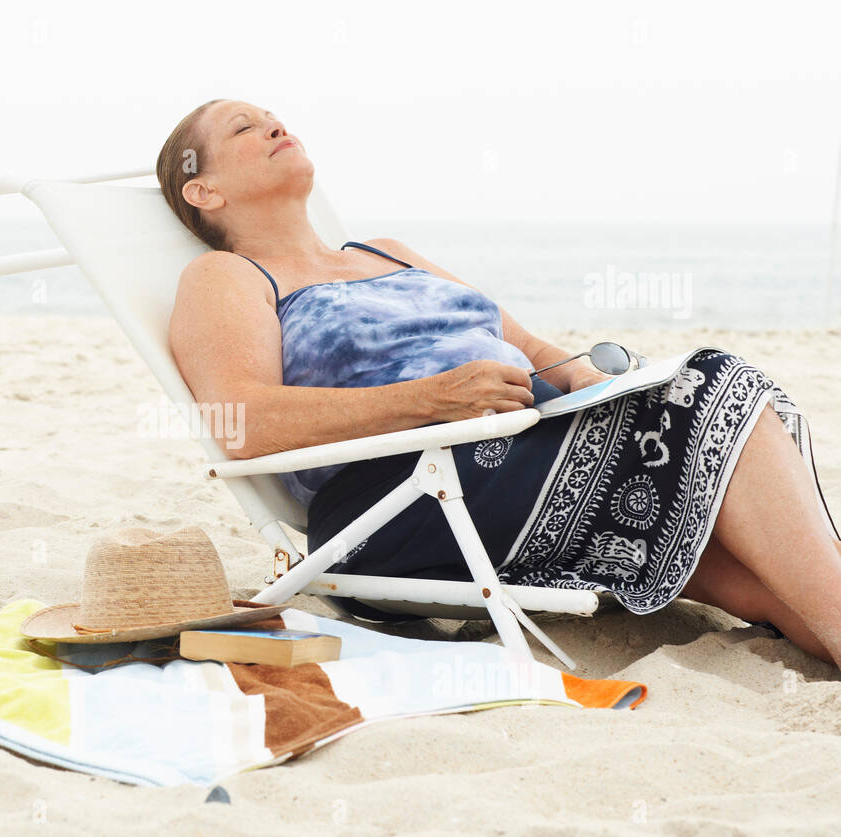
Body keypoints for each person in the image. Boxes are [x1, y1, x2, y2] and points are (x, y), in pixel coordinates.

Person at [157, 98, 841, 666]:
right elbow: (236, 422)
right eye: (244, 129)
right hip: (407, 497)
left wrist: (594, 379)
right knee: (715, 385)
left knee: (752, 561)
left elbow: (535, 349)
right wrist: (427, 400)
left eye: (275, 117)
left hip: (527, 441)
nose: (276, 125)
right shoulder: (227, 276)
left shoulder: (383, 253)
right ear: (204, 190)